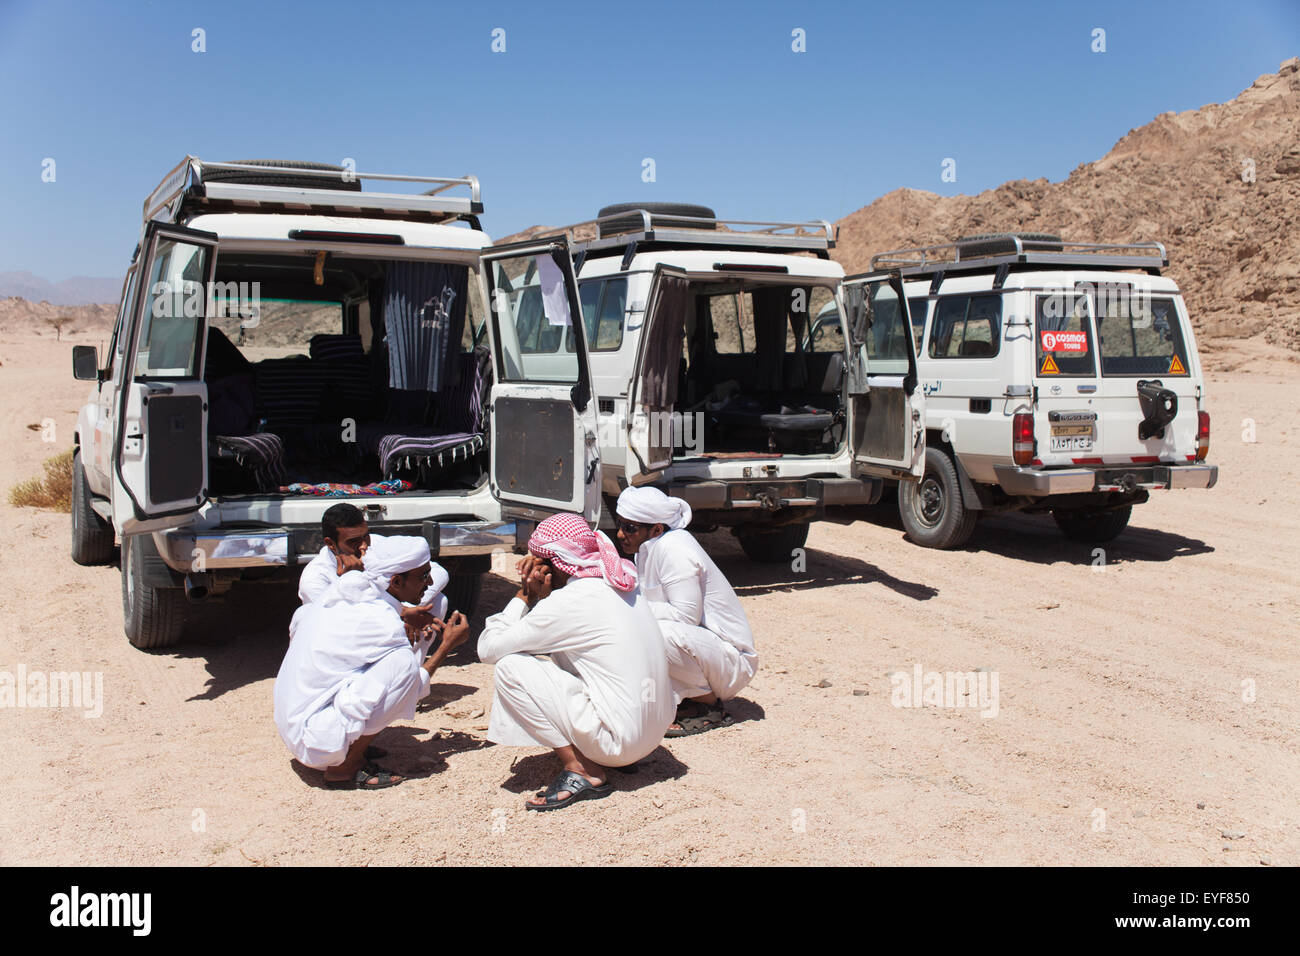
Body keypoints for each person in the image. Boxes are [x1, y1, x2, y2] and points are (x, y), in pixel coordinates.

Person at [478, 514, 675, 811]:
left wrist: (524, 596)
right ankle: (608, 754)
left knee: (510, 667)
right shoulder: (623, 583)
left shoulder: (569, 601)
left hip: (621, 744)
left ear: (554, 563)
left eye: (537, 560)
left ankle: (582, 770)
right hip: (651, 736)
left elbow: (488, 649)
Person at [274, 535, 469, 789]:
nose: (430, 582)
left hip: (296, 728)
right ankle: (344, 768)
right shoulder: (383, 623)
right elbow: (415, 686)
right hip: (316, 745)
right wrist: (445, 647)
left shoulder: (350, 585)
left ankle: (349, 746)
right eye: (424, 576)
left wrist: (403, 612)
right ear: (396, 581)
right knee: (404, 664)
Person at [615, 486, 757, 737]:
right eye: (620, 524)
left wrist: (627, 607)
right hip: (704, 651)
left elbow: (684, 616)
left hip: (731, 662)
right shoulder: (648, 549)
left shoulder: (674, 549)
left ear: (656, 529)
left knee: (654, 631)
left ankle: (706, 705)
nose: (620, 534)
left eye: (629, 528)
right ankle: (684, 697)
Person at [299, 503, 449, 620]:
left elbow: (439, 572)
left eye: (366, 536)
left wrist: (408, 609)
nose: (364, 545)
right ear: (331, 544)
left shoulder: (375, 543)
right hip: (351, 633)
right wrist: (350, 580)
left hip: (387, 616)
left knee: (438, 602)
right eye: (353, 541)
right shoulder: (315, 577)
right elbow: (339, 619)